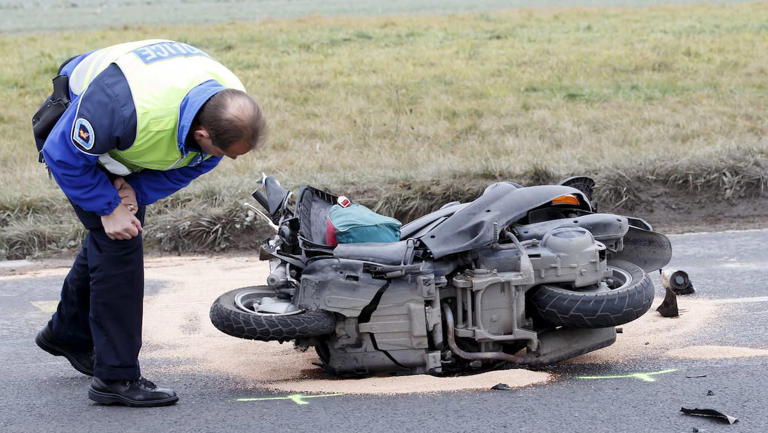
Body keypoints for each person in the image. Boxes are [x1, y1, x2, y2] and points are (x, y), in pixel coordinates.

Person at [32, 39, 266, 407]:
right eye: (224, 152)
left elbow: (194, 162)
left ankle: (69, 333)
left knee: (114, 234)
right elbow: (63, 154)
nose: (228, 160)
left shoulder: (225, 105)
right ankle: (116, 378)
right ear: (203, 134)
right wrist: (108, 207)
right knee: (120, 242)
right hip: (76, 121)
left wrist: (134, 191)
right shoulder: (122, 108)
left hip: (130, 134)